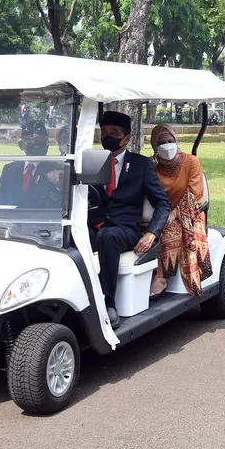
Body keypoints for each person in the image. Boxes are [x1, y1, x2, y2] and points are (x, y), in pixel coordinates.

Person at [89, 110, 171, 329]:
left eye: (114, 133)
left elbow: (163, 203)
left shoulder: (140, 165)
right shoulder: (92, 161)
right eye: (104, 132)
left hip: (125, 229)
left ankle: (108, 302)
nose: (107, 137)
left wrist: (152, 232)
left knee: (108, 236)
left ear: (126, 138)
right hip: (94, 225)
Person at [148, 124, 211, 298]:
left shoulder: (191, 161)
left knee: (171, 228)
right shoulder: (152, 166)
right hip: (161, 213)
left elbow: (195, 195)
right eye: (161, 142)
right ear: (155, 146)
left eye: (170, 141)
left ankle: (162, 277)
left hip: (191, 212)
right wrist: (150, 170)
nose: (167, 145)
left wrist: (175, 213)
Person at [0, 120, 64, 208]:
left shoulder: (55, 171)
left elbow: (61, 205)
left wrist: (59, 184)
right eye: (30, 140)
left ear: (47, 144)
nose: (35, 144)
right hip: (11, 220)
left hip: (42, 220)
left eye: (40, 139)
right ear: (21, 145)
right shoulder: (10, 169)